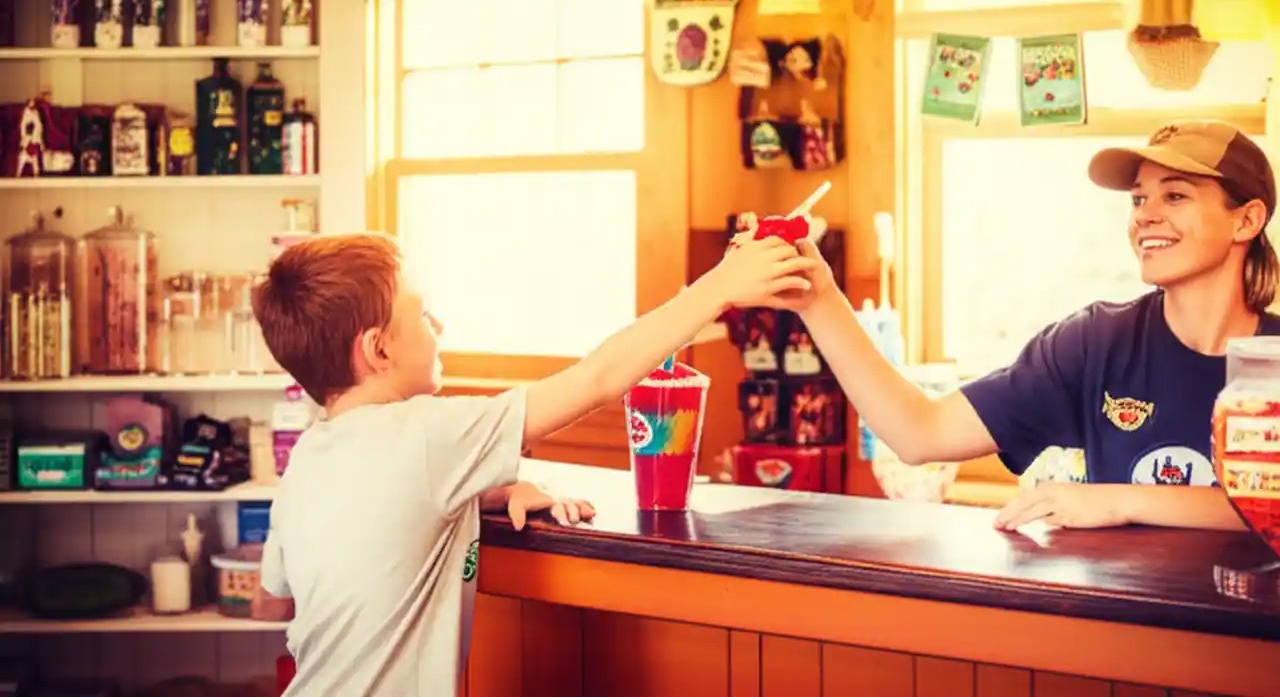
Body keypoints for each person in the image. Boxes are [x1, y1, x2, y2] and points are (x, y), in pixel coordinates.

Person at [251, 232, 814, 695]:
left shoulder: (308, 459)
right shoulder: (427, 435)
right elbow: (597, 380)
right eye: (425, 316)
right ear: (378, 350)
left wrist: (492, 489)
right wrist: (720, 286)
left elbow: (270, 603)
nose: (439, 327)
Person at [782, 118, 1280, 532]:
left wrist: (1120, 501)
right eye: (1137, 199)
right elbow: (919, 434)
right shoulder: (1096, 343)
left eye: (1175, 197)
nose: (1145, 216)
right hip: (1127, 637)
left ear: (1246, 220)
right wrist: (818, 299)